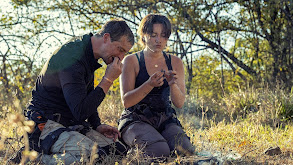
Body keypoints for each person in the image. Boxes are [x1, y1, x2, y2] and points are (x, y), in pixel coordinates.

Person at [15, 19, 134, 164]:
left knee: (117, 152)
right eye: (120, 49)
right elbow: (80, 111)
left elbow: (85, 95)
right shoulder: (72, 56)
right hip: (46, 124)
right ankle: (33, 159)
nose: (121, 57)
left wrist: (96, 125)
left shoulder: (89, 54)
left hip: (69, 124)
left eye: (125, 53)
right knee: (95, 157)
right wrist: (108, 80)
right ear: (106, 38)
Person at [118, 14, 195, 158]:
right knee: (159, 151)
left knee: (185, 150)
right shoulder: (131, 61)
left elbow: (179, 103)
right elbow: (126, 101)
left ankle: (158, 140)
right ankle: (128, 152)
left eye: (163, 35)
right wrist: (149, 84)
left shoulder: (175, 62)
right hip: (136, 119)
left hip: (165, 119)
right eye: (153, 35)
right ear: (144, 35)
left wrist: (173, 84)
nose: (159, 40)